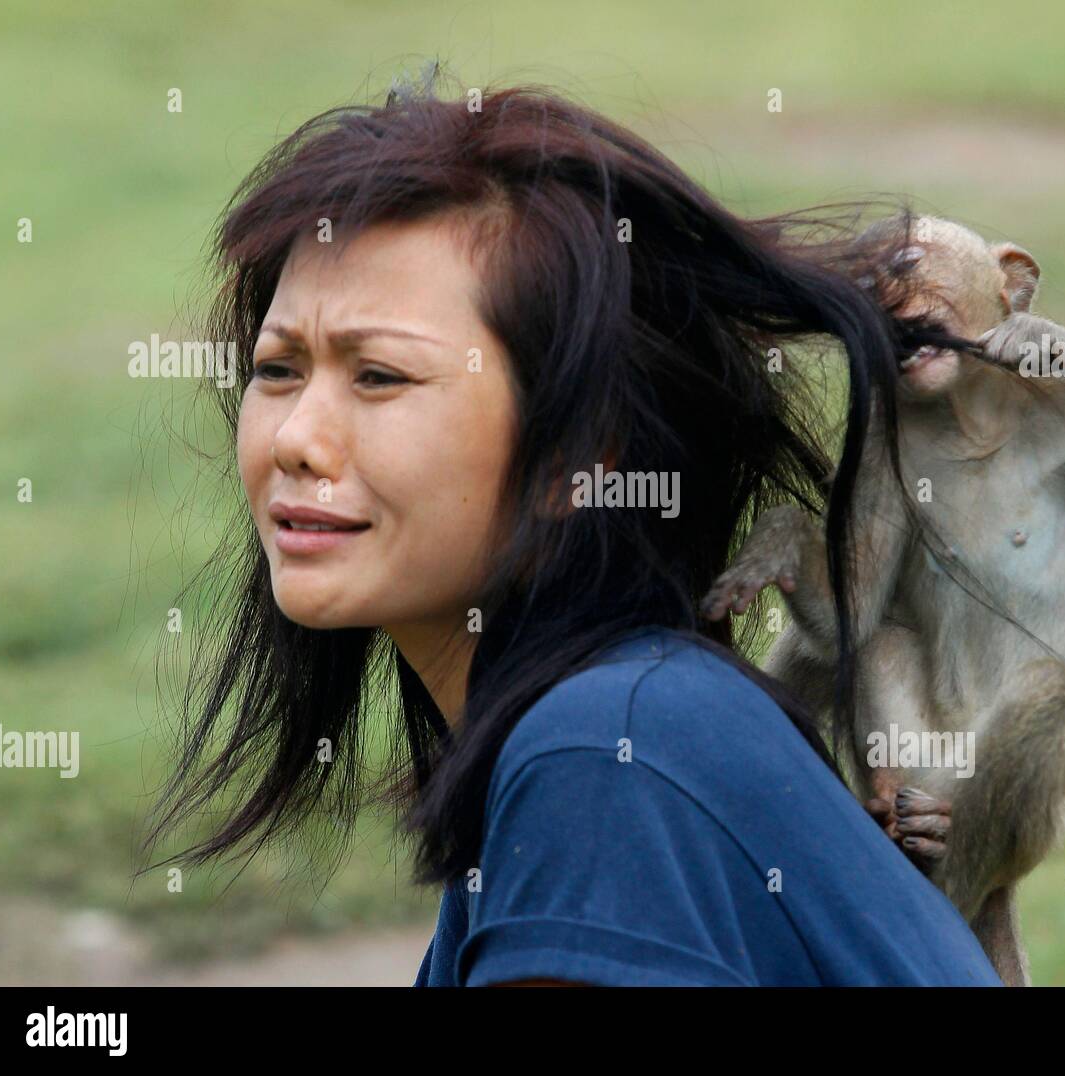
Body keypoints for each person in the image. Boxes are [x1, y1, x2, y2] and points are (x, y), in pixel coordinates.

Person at [141, 68, 1001, 987]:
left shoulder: (606, 762)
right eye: (279, 369)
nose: (297, 439)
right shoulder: (619, 719)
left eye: (379, 377)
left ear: (584, 455)